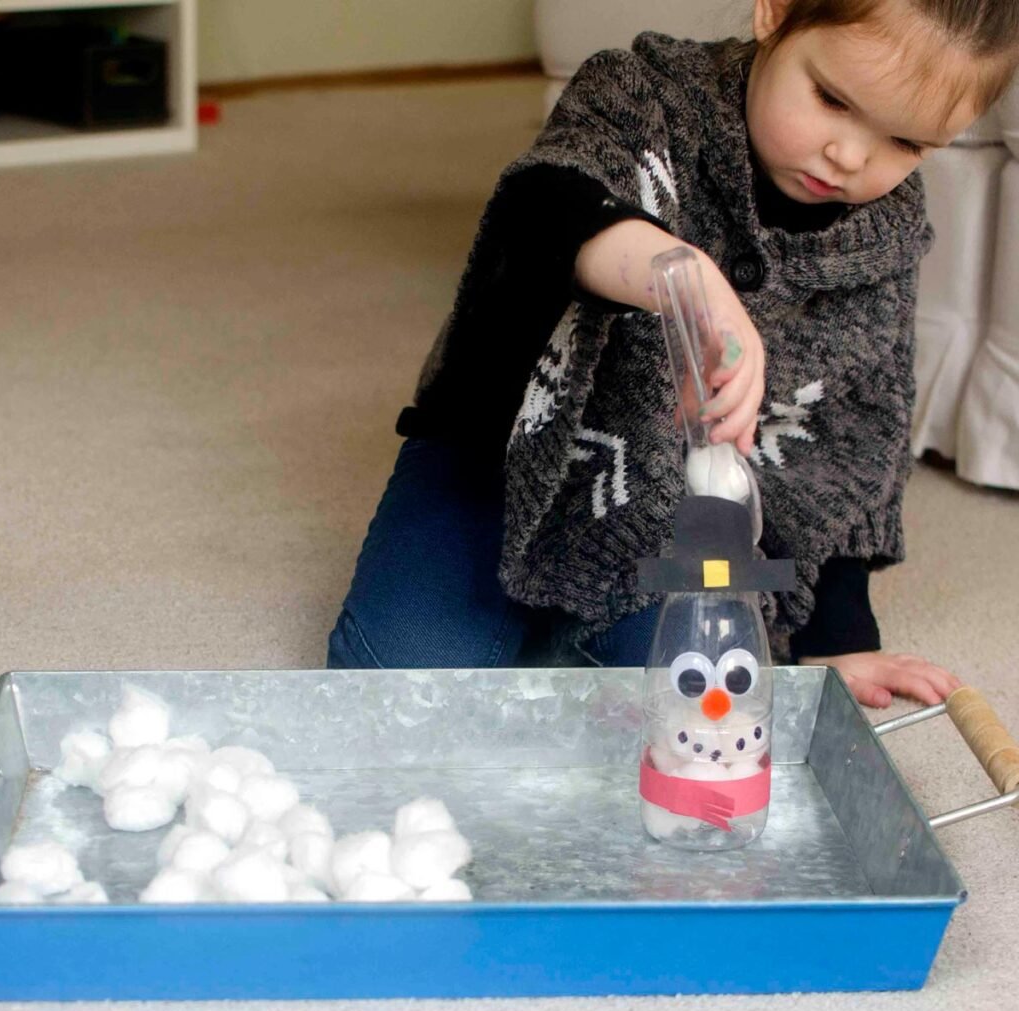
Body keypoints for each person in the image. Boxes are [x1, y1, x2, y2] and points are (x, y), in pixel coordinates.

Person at [327, 0, 1019, 709]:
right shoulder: (642, 92)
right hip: (501, 455)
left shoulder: (884, 234)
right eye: (831, 99)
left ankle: (588, 623)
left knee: (698, 707)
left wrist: (837, 635)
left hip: (675, 513)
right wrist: (685, 279)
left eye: (905, 143)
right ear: (774, 11)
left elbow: (859, 437)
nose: (849, 156)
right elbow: (543, 215)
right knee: (398, 684)